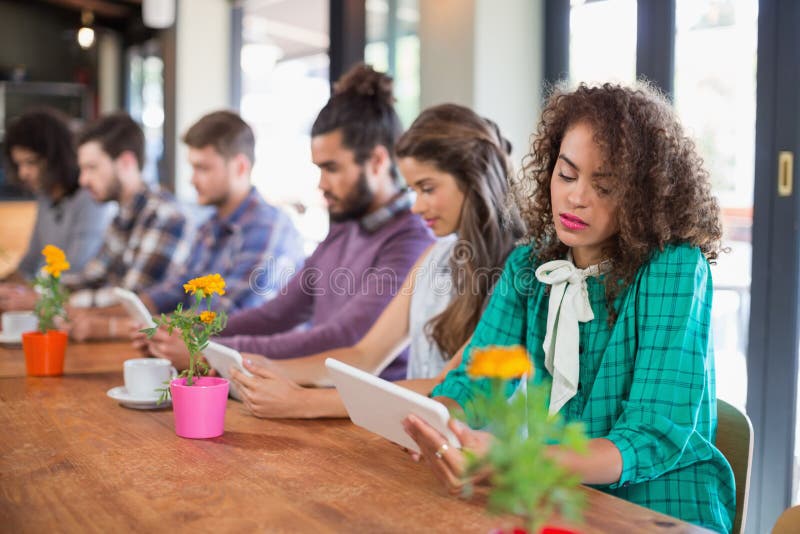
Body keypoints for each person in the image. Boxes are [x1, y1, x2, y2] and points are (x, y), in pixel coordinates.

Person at [403, 83, 736, 533]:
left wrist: (515, 460)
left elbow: (652, 436)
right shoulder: (530, 262)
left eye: (605, 185)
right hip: (561, 497)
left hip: (660, 508)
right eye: (567, 174)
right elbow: (476, 381)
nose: (577, 197)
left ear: (644, 195)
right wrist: (442, 427)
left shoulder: (673, 267)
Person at [227, 103, 526, 418]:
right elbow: (365, 354)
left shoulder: (515, 270)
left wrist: (303, 402)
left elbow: (447, 387)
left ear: (472, 178)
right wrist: (268, 367)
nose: (416, 206)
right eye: (413, 190)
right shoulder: (434, 258)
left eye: (427, 188)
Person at [138, 64, 434, 381]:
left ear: (376, 161)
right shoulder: (345, 228)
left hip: (364, 415)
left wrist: (208, 347)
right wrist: (187, 328)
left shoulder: (411, 240)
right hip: (313, 393)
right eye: (319, 168)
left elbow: (345, 337)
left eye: (331, 168)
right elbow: (277, 313)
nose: (321, 184)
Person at [69, 111, 305, 341]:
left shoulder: (267, 228)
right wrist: (92, 316)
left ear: (240, 167)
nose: (192, 180)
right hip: (204, 356)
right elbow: (172, 291)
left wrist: (111, 328)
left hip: (253, 368)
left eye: (203, 168)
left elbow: (223, 317)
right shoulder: (209, 226)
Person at [58, 113, 188, 338]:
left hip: (147, 345)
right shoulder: (122, 215)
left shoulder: (163, 215)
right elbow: (93, 276)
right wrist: (46, 293)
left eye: (92, 167)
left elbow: (133, 299)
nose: (83, 180)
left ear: (126, 163)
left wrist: (61, 303)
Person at [0, 108, 110, 310]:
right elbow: (29, 263)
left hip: (69, 305)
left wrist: (27, 295)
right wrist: (6, 285)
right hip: (42, 299)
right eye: (19, 164)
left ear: (56, 157)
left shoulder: (89, 198)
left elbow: (76, 270)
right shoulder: (45, 198)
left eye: (31, 162)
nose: (23, 173)